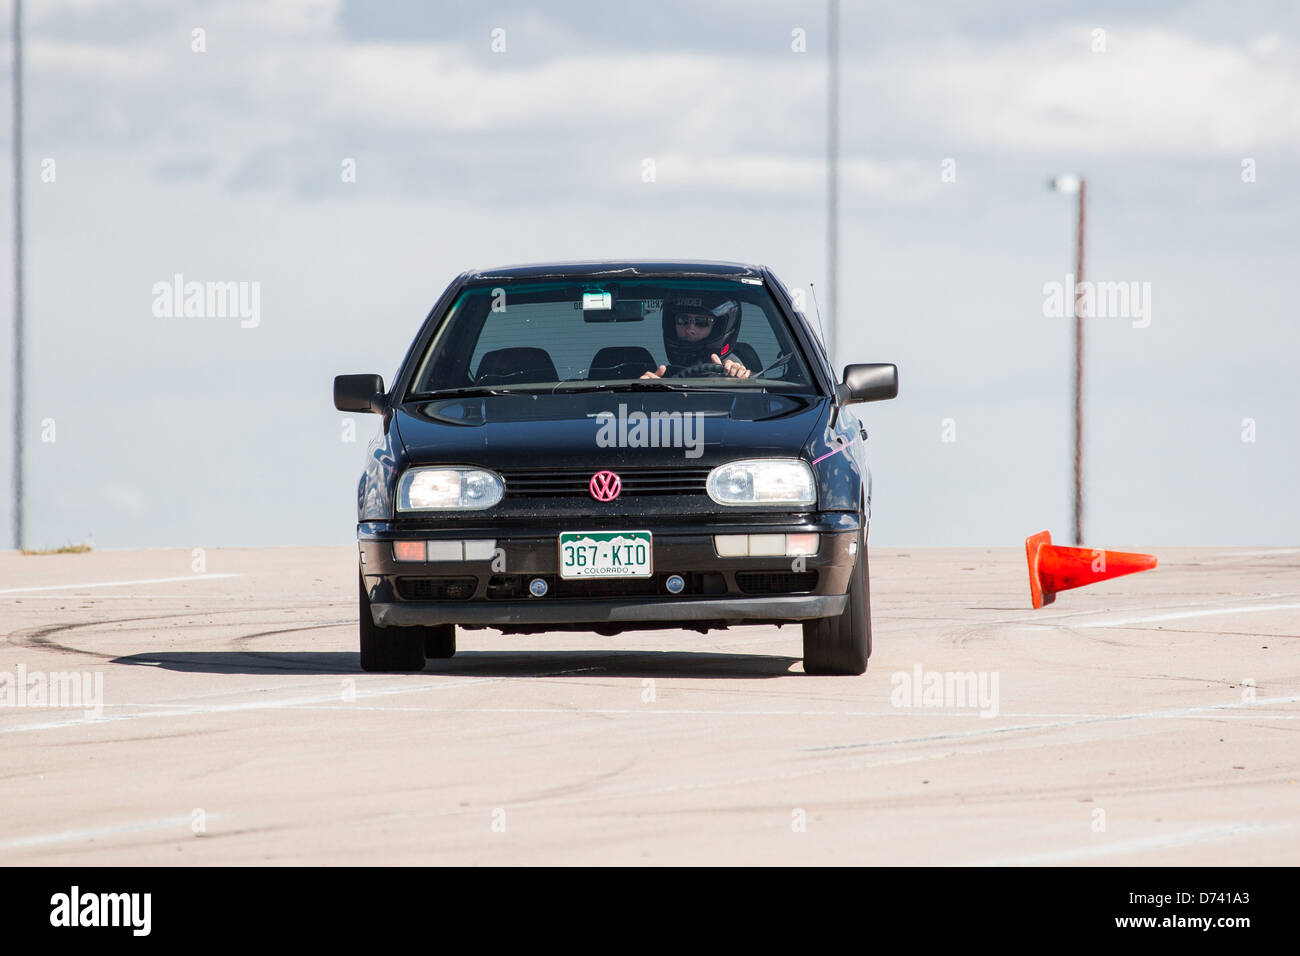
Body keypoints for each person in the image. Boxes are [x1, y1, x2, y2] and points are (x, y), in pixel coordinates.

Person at [641, 295, 750, 379]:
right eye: (682, 320)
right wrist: (643, 394)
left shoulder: (731, 372)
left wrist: (737, 381)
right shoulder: (659, 378)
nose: (690, 329)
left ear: (717, 327)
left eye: (702, 322)